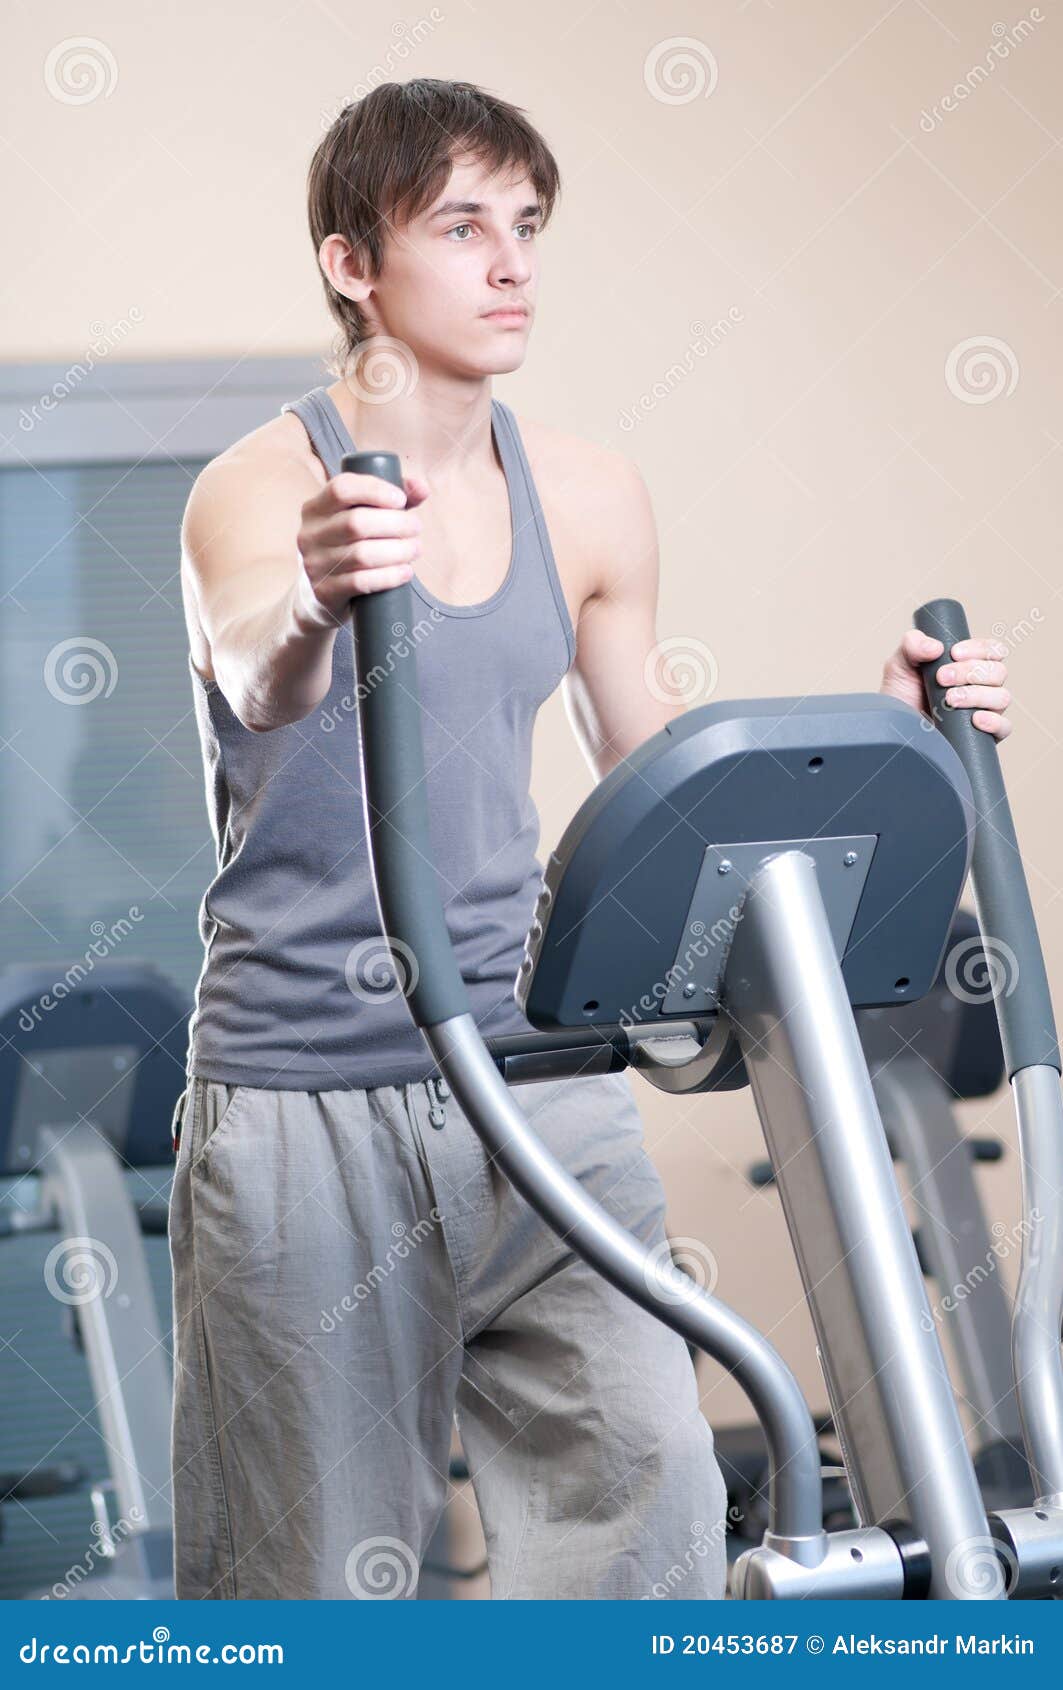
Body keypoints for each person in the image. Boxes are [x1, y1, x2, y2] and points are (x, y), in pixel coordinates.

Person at [170, 78, 1013, 1602]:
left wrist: (883, 730)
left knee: (655, 1509)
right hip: (309, 1098)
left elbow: (654, 767)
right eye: (464, 226)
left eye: (531, 227)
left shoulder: (591, 493)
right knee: (311, 1580)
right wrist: (318, 588)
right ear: (353, 261)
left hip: (541, 1075)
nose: (514, 266)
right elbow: (252, 665)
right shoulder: (262, 486)